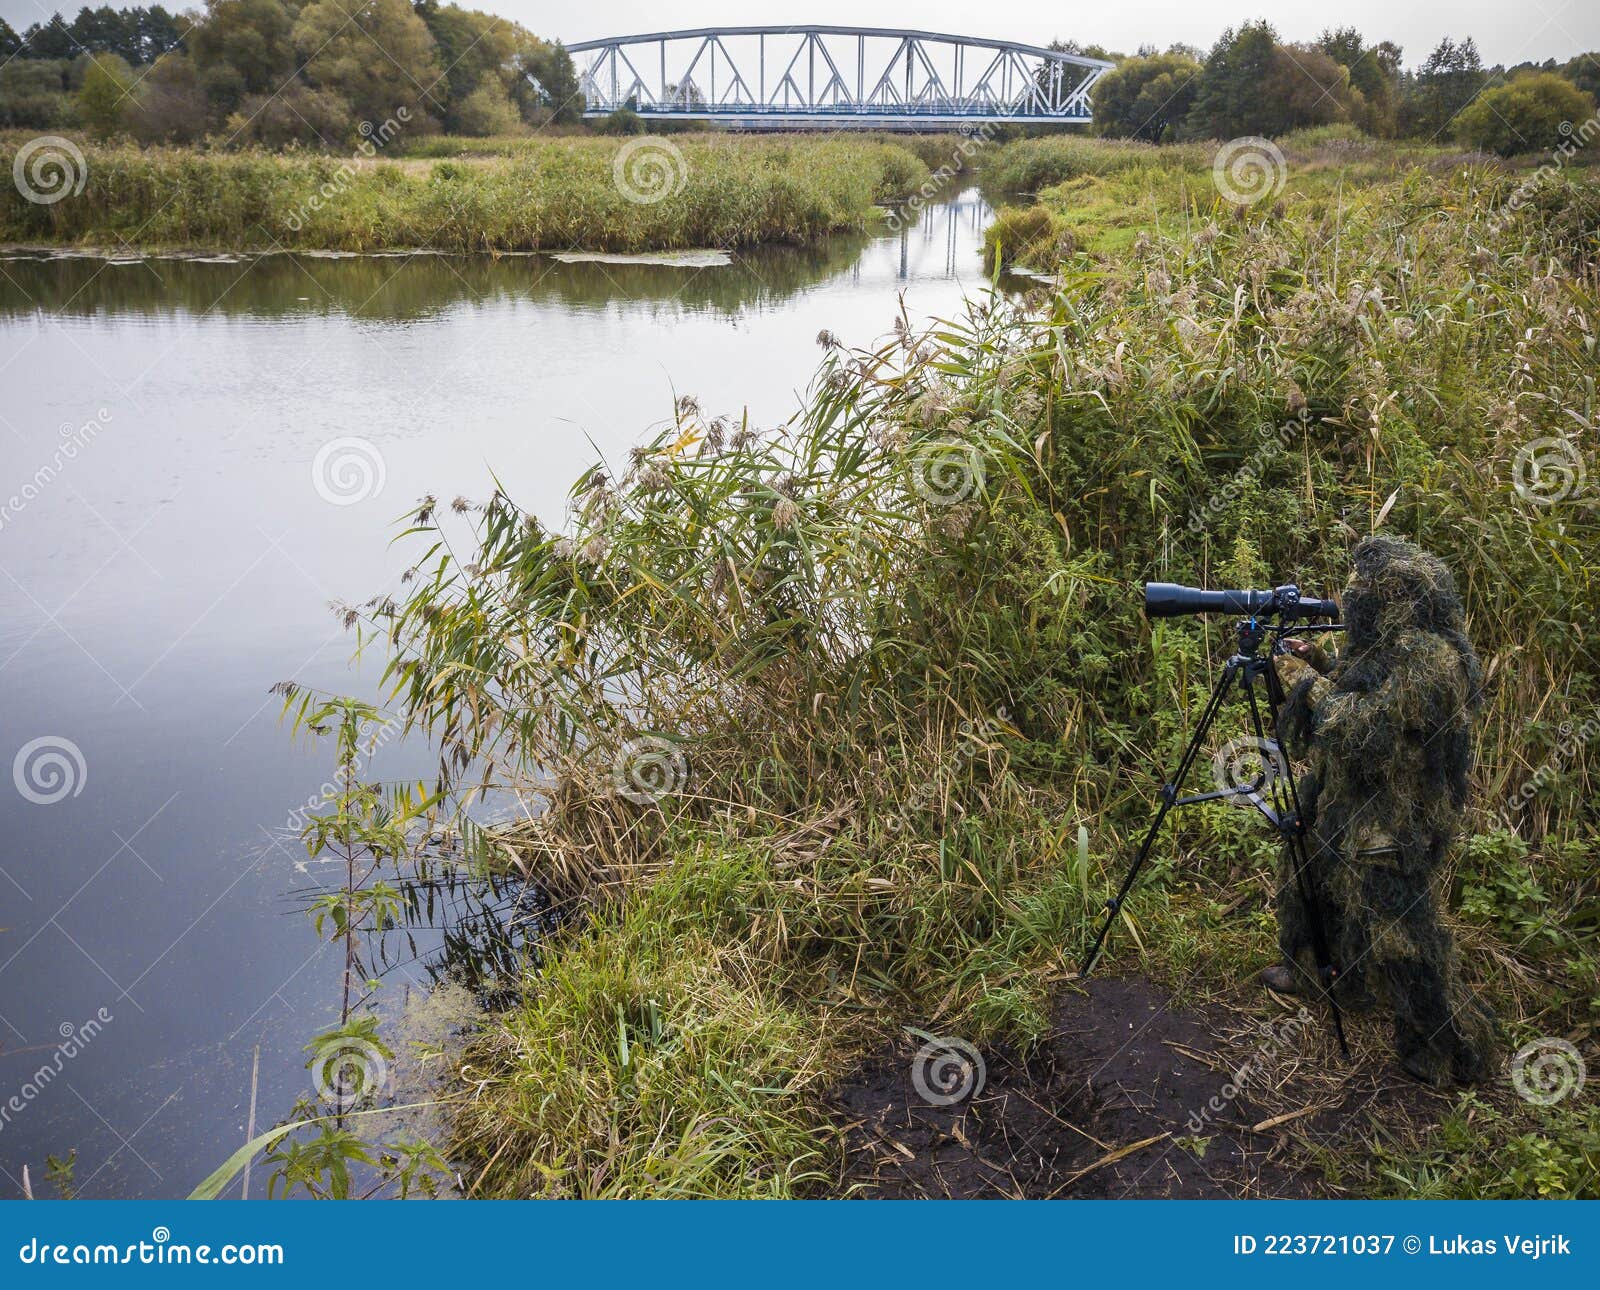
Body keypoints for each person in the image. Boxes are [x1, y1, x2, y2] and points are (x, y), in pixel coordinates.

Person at [1262, 535, 1500, 1086]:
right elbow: (1359, 683)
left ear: (1398, 600)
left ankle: (1448, 1046)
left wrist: (1308, 687)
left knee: (1399, 934)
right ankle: (1317, 973)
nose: (1352, 597)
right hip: (1347, 796)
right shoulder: (1387, 645)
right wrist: (1318, 661)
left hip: (1397, 815)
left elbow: (1370, 730)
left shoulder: (1433, 660)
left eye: (1365, 589)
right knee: (1308, 877)